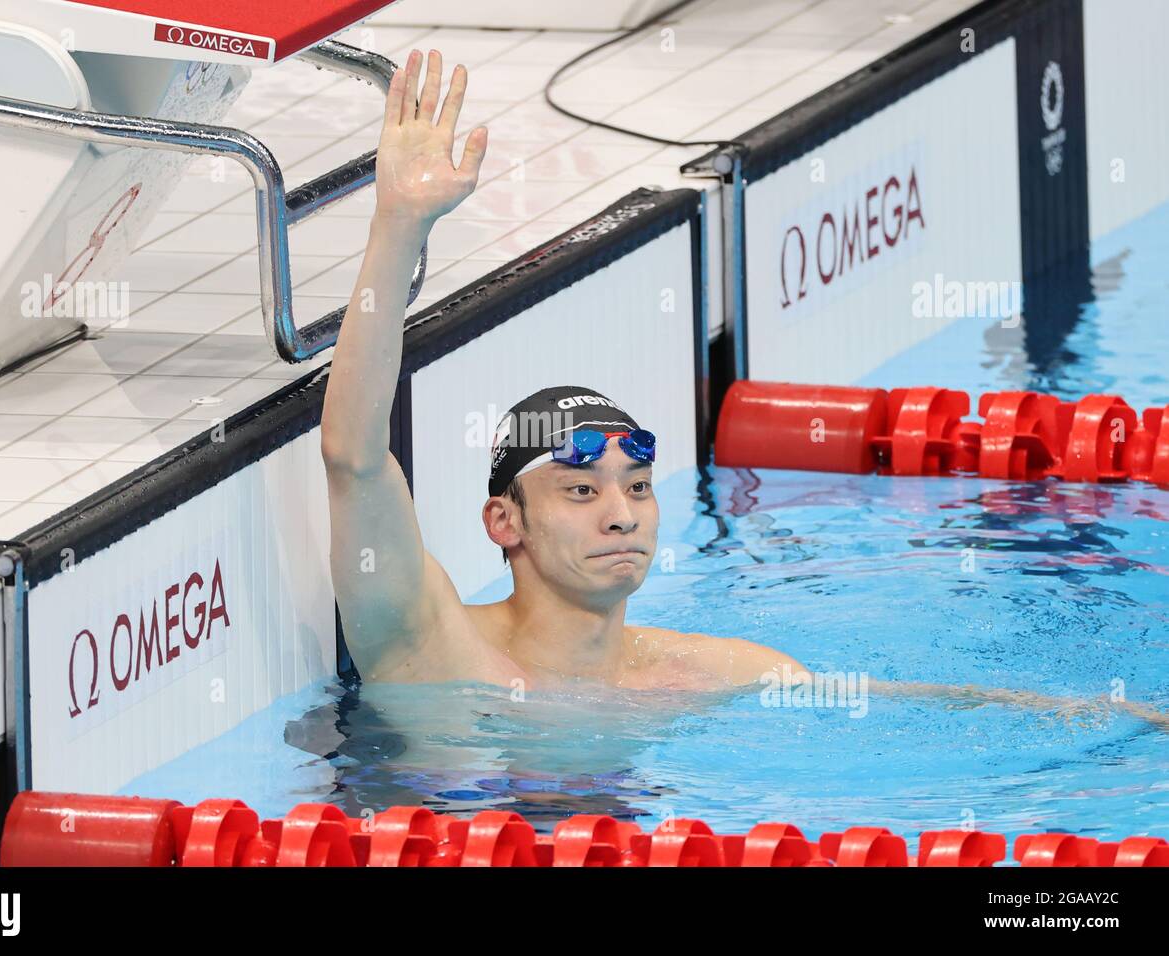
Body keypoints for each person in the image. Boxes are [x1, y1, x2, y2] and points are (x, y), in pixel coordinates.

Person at [319, 49, 1169, 731]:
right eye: (580, 491)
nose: (622, 515)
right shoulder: (433, 647)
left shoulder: (708, 671)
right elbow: (355, 458)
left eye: (640, 489)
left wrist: (1097, 716)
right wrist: (399, 222)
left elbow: (894, 703)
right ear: (504, 522)